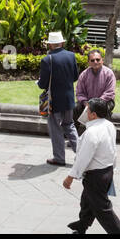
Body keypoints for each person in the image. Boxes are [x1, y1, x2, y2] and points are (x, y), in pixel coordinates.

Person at [63, 98, 120, 234]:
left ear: (93, 115)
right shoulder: (109, 125)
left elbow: (83, 158)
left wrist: (70, 176)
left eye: (88, 110)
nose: (85, 112)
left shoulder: (92, 132)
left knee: (103, 210)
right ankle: (81, 226)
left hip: (96, 176)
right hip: (106, 171)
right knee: (87, 201)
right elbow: (112, 149)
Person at [38, 30, 79, 166]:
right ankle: (81, 155)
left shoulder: (47, 60)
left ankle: (59, 158)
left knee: (55, 128)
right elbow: (75, 77)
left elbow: (42, 84)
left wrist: (39, 82)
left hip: (53, 100)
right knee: (70, 125)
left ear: (50, 45)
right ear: (61, 43)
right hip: (68, 98)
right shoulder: (71, 56)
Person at [74, 49, 116, 132]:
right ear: (88, 62)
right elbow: (79, 93)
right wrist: (85, 102)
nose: (95, 62)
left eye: (98, 59)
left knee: (104, 109)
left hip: (105, 102)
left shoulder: (109, 73)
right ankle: (74, 137)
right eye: (92, 60)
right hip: (87, 103)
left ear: (102, 60)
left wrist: (96, 103)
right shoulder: (84, 75)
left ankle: (104, 135)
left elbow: (110, 92)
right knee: (74, 108)